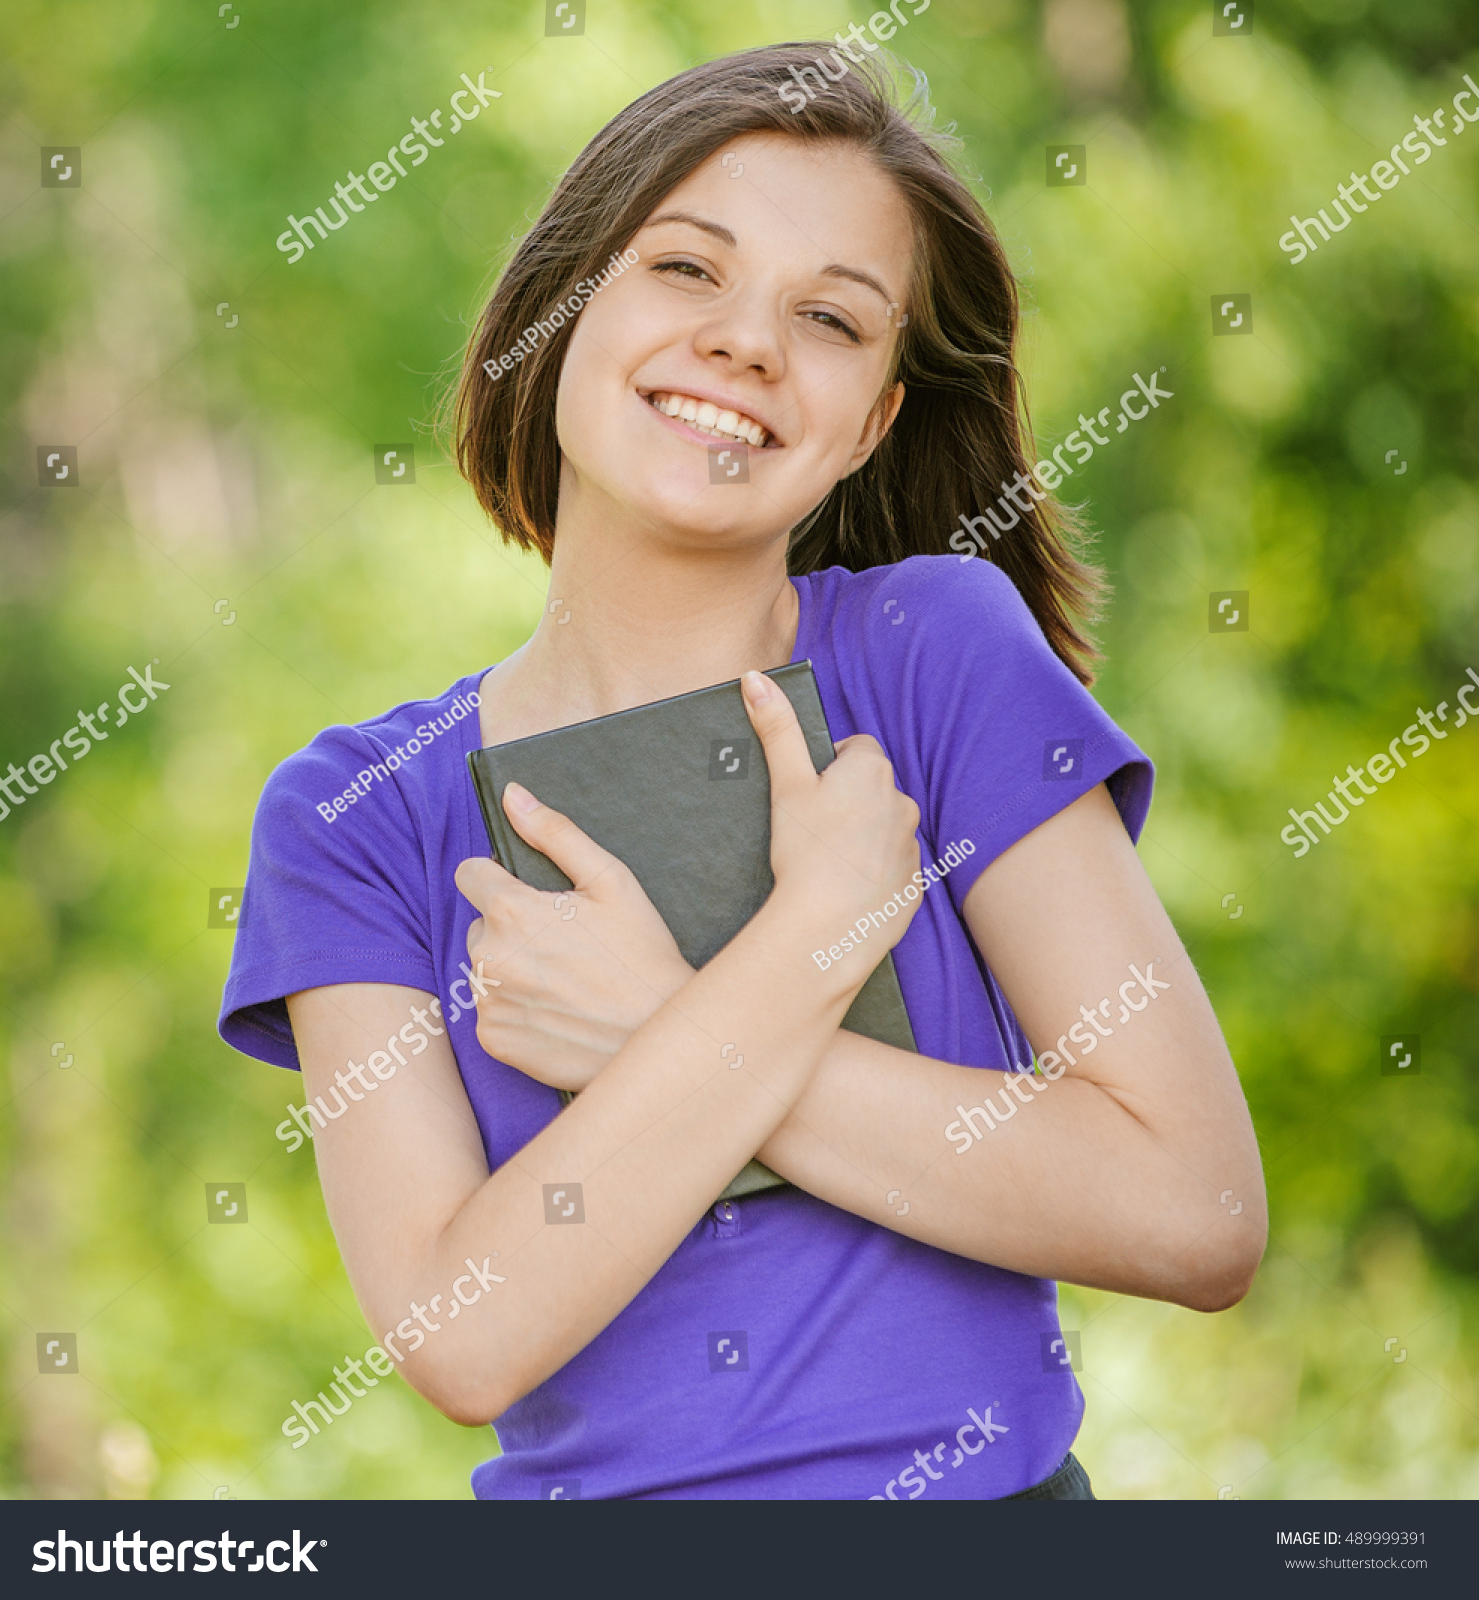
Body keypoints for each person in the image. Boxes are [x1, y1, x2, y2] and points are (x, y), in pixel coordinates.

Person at [220, 42, 1266, 1500]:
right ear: (567, 302)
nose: (748, 342)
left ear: (873, 421)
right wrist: (804, 944)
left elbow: (1195, 1212)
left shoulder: (932, 657)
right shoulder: (353, 817)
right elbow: (465, 1340)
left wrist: (656, 1026)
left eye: (831, 319)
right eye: (688, 271)